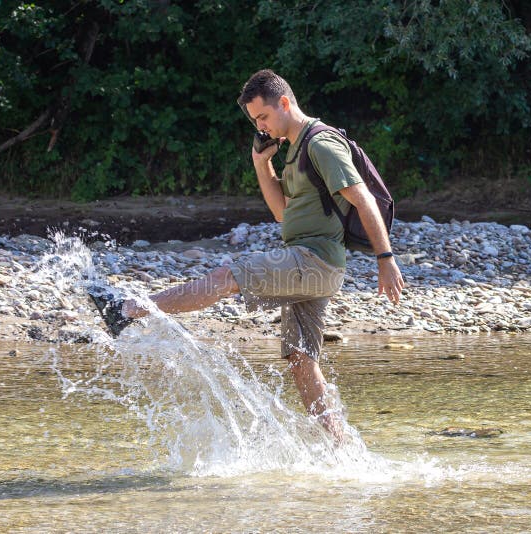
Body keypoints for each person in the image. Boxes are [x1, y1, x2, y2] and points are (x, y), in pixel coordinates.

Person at [93, 69, 404, 441]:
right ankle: (340, 449)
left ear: (284, 103)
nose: (261, 126)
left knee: (228, 275)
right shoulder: (295, 150)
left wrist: (385, 259)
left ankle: (126, 309)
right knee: (302, 361)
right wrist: (262, 163)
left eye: (263, 117)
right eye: (256, 121)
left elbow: (362, 197)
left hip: (313, 261)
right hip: (311, 265)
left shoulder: (321, 143)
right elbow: (281, 212)